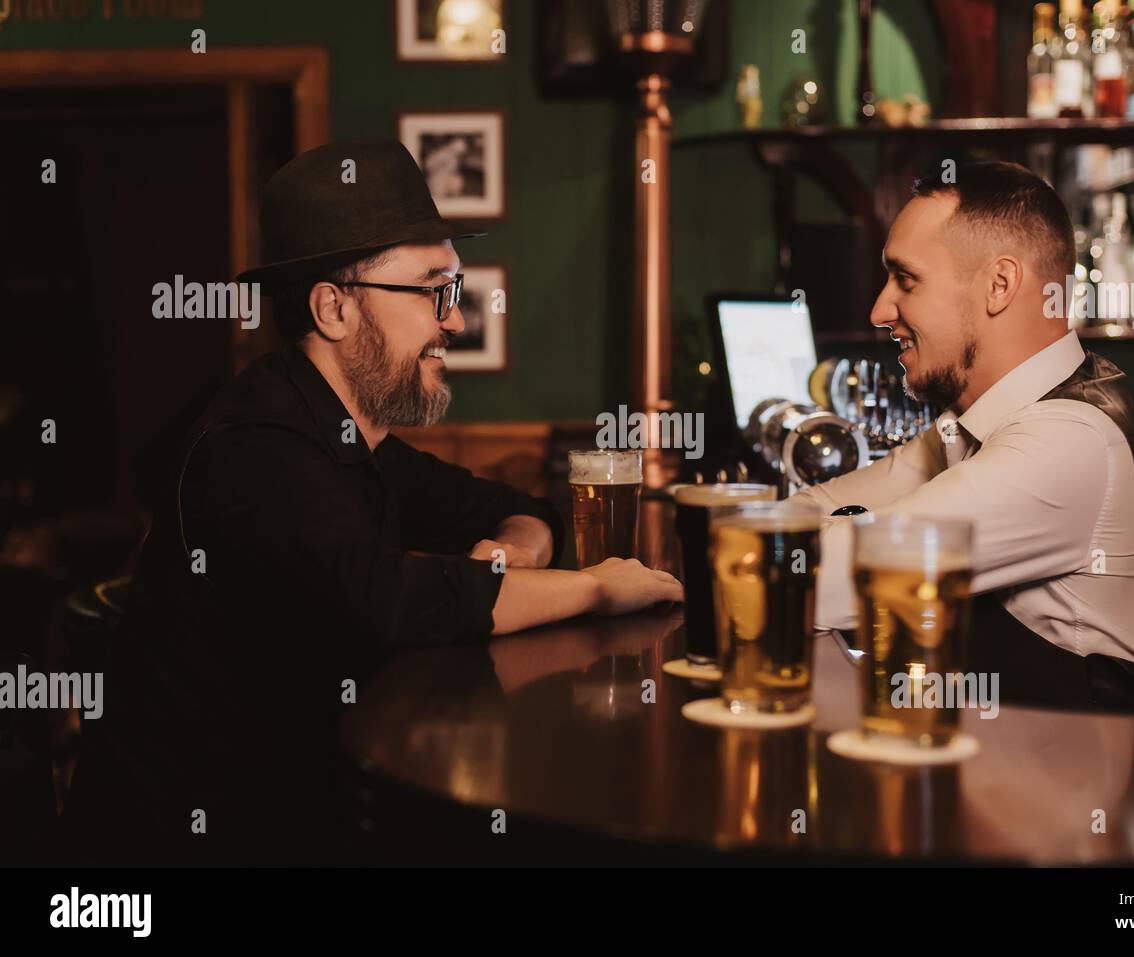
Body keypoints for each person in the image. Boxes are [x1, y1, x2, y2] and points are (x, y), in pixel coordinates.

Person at [54, 139, 681, 864]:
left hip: (303, 813)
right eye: (432, 290)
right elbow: (377, 600)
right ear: (333, 307)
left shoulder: (354, 436)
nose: (454, 320)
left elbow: (517, 506)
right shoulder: (257, 444)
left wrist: (511, 556)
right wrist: (595, 587)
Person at [796, 161, 1134, 714]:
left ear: (999, 284)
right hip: (998, 778)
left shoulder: (1065, 444)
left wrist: (673, 577)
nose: (879, 310)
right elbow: (812, 509)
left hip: (1073, 793)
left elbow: (827, 578)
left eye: (906, 279)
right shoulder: (979, 424)